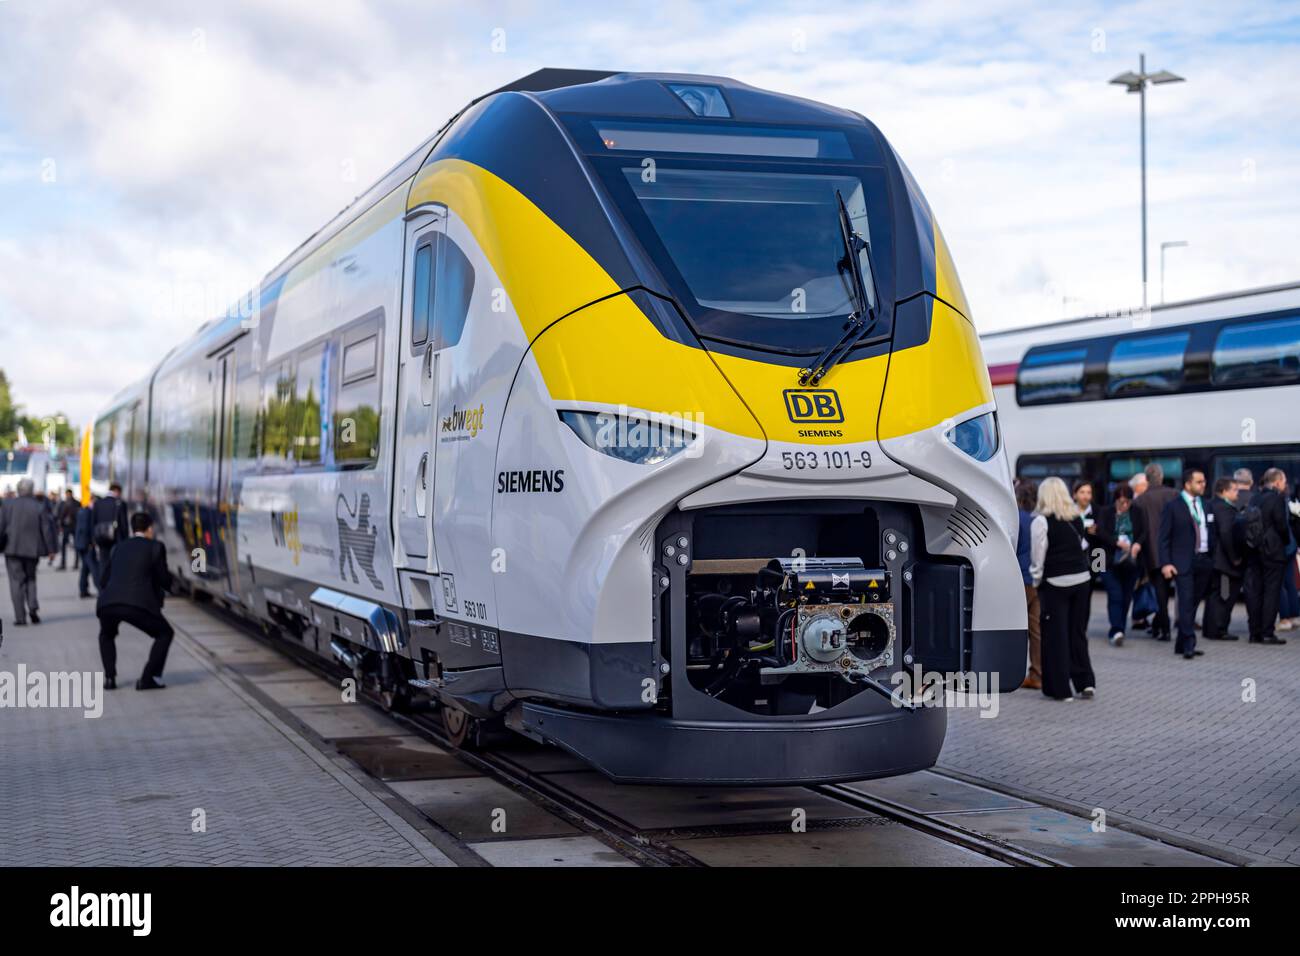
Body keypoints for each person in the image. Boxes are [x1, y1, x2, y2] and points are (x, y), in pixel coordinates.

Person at [1029, 477, 1096, 701]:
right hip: (1082, 580)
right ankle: (1085, 682)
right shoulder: (1076, 518)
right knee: (1077, 633)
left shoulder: (1041, 521)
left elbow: (1039, 556)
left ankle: (1060, 689)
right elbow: (1083, 546)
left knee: (1056, 635)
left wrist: (1037, 580)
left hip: (1055, 582)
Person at [96, 511, 174, 690]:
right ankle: (148, 679)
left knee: (106, 634)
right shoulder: (156, 547)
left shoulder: (119, 547)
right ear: (149, 528)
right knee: (165, 634)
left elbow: (103, 580)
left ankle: (110, 679)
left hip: (108, 603)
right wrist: (171, 587)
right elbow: (163, 579)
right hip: (137, 604)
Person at [1159, 469, 1214, 659]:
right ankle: (1189, 643)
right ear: (1187, 484)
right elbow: (1163, 537)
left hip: (1204, 560)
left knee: (1193, 604)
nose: (1203, 485)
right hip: (1182, 562)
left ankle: (1181, 644)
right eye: (1199, 482)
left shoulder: (1205, 505)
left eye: (1204, 481)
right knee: (1186, 602)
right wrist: (1165, 563)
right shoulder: (1173, 506)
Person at [1094, 482, 1146, 646]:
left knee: (1126, 596)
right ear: (1115, 500)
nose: (1124, 505)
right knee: (1115, 594)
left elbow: (1144, 531)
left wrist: (1137, 544)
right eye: (1120, 502)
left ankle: (1120, 628)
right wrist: (1116, 542)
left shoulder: (1137, 512)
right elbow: (1100, 532)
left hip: (1131, 562)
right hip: (1107, 560)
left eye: (1127, 502)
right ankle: (1115, 629)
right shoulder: (1105, 512)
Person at [0, 478, 57, 626]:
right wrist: (51, 550)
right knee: (31, 579)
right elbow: (46, 529)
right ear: (31, 490)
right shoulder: (39, 506)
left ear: (18, 490)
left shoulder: (7, 505)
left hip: (12, 549)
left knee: (16, 582)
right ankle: (32, 608)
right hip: (33, 550)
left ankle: (20, 617)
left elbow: (1, 526)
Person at [1242, 467, 1289, 645]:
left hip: (1254, 550)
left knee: (1256, 591)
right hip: (1273, 551)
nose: (1284, 486)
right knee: (1271, 592)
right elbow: (1281, 525)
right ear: (1277, 482)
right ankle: (1267, 632)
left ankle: (1254, 632)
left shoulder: (1256, 497)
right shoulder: (1277, 499)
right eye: (1283, 482)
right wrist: (1285, 541)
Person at [1133, 462, 1178, 641]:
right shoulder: (1174, 495)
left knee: (1160, 592)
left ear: (1146, 479)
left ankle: (1163, 627)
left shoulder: (1139, 501)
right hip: (1174, 552)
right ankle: (1161, 625)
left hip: (1151, 554)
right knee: (1166, 592)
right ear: (1161, 476)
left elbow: (1138, 532)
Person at [1204, 477, 1244, 641]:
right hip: (1225, 564)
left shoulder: (1209, 505)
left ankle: (1210, 628)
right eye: (1234, 490)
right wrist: (1234, 557)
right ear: (1224, 491)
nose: (1237, 493)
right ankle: (1219, 629)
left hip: (1212, 560)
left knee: (1214, 595)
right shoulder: (1226, 509)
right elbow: (1226, 534)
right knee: (1225, 595)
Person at [1014, 479, 1042, 690]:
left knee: (1017, 628)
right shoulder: (1040, 520)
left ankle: (1014, 673)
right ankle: (1037, 673)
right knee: (1036, 629)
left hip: (1020, 578)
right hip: (1038, 580)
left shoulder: (1016, 519)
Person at [90, 482, 129, 588]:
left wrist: (93, 539)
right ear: (117, 491)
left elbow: (93, 522)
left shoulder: (98, 503)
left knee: (103, 563)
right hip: (117, 539)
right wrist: (126, 541)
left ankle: (103, 588)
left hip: (101, 538)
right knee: (117, 564)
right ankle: (115, 587)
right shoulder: (120, 503)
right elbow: (124, 525)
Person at [74, 496, 98, 598]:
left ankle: (83, 590)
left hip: (80, 543)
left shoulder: (82, 510)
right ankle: (101, 589)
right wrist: (89, 543)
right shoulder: (88, 512)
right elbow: (85, 529)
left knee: (85, 568)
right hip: (85, 544)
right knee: (94, 568)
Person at [56, 489, 79, 570]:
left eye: (69, 494)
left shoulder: (76, 503)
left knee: (76, 545)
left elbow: (77, 514)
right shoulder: (63, 503)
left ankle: (76, 563)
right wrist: (60, 524)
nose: (68, 496)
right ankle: (63, 563)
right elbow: (59, 514)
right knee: (63, 545)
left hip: (74, 525)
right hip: (66, 526)